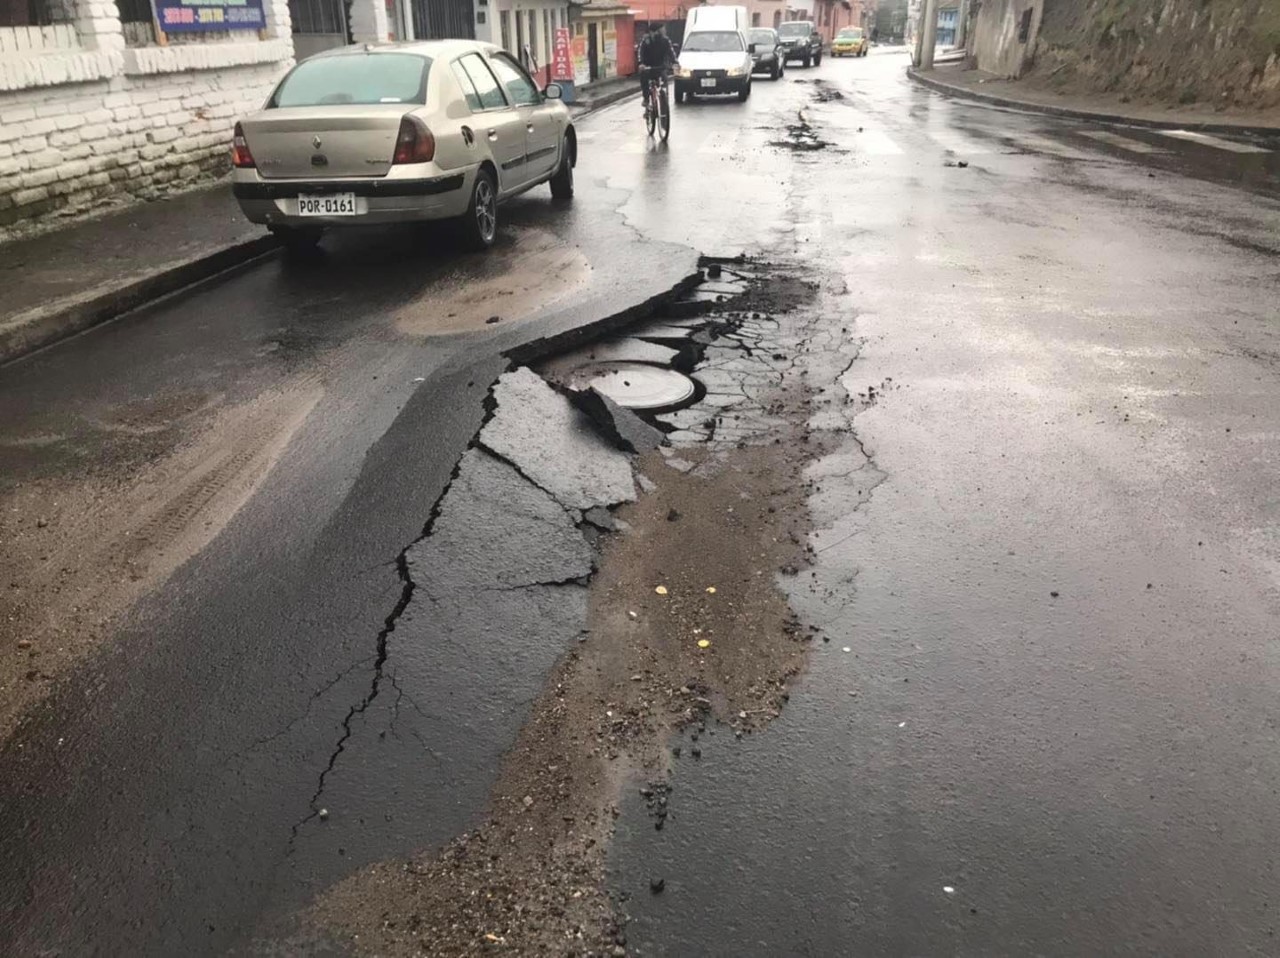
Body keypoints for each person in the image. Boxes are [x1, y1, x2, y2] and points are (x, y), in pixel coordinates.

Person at [638, 22, 677, 114]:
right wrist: (641, 63)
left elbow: (671, 53)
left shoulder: (666, 41)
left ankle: (664, 99)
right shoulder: (646, 41)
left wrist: (675, 62)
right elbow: (640, 52)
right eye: (662, 29)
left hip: (660, 67)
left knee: (664, 78)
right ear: (656, 31)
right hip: (648, 67)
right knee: (643, 76)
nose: (664, 31)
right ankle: (646, 99)